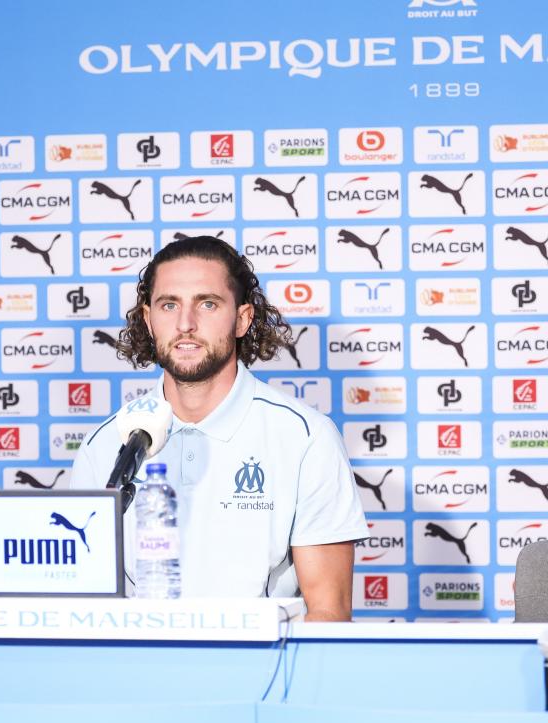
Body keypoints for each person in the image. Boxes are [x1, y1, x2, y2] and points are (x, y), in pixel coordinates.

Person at [70, 236, 366, 621]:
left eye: (207, 304)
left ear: (242, 319)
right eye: (169, 304)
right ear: (148, 319)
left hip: (262, 672)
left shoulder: (305, 437)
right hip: (138, 671)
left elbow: (329, 610)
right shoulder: (106, 443)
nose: (185, 324)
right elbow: (82, 601)